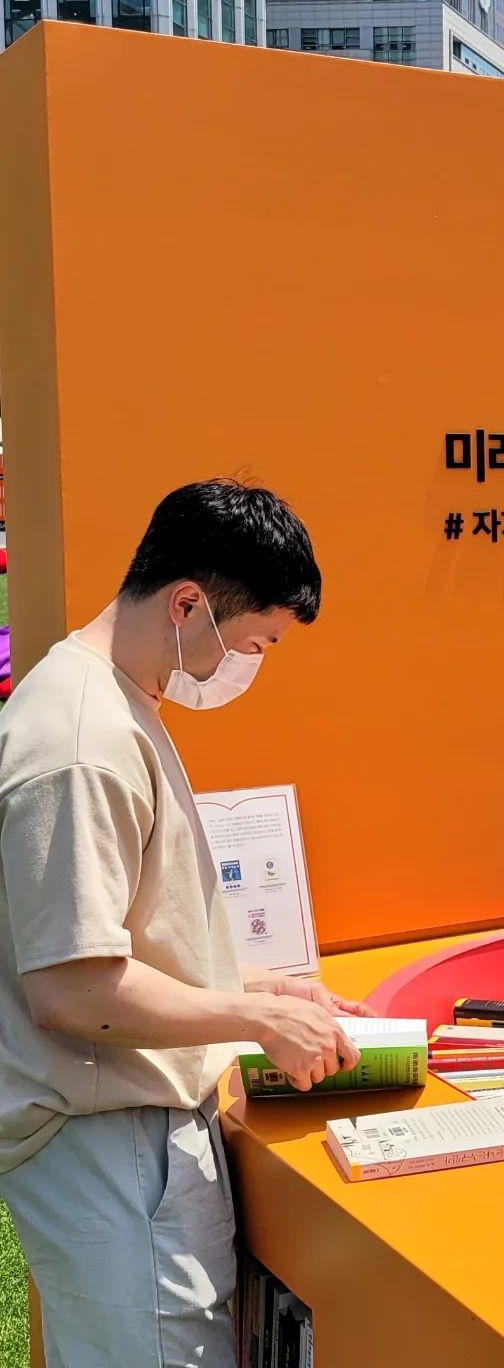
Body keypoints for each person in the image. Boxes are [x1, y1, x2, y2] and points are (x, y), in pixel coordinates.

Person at [0, 480, 370, 1368]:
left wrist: (253, 987)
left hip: (126, 1134)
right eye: (252, 643)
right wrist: (256, 1021)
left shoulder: (105, 698)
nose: (246, 664)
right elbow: (70, 985)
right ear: (188, 604)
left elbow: (118, 941)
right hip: (111, 1143)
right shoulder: (83, 743)